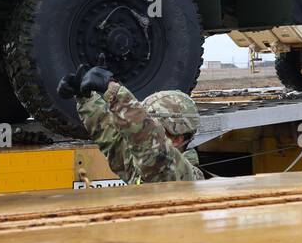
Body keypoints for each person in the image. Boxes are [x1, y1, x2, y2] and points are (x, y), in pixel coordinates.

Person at [57, 65, 204, 183]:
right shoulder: (138, 166)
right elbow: (111, 138)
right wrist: (85, 98)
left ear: (177, 138)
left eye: (152, 125)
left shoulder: (188, 179)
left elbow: (151, 147)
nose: (145, 128)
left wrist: (113, 91)